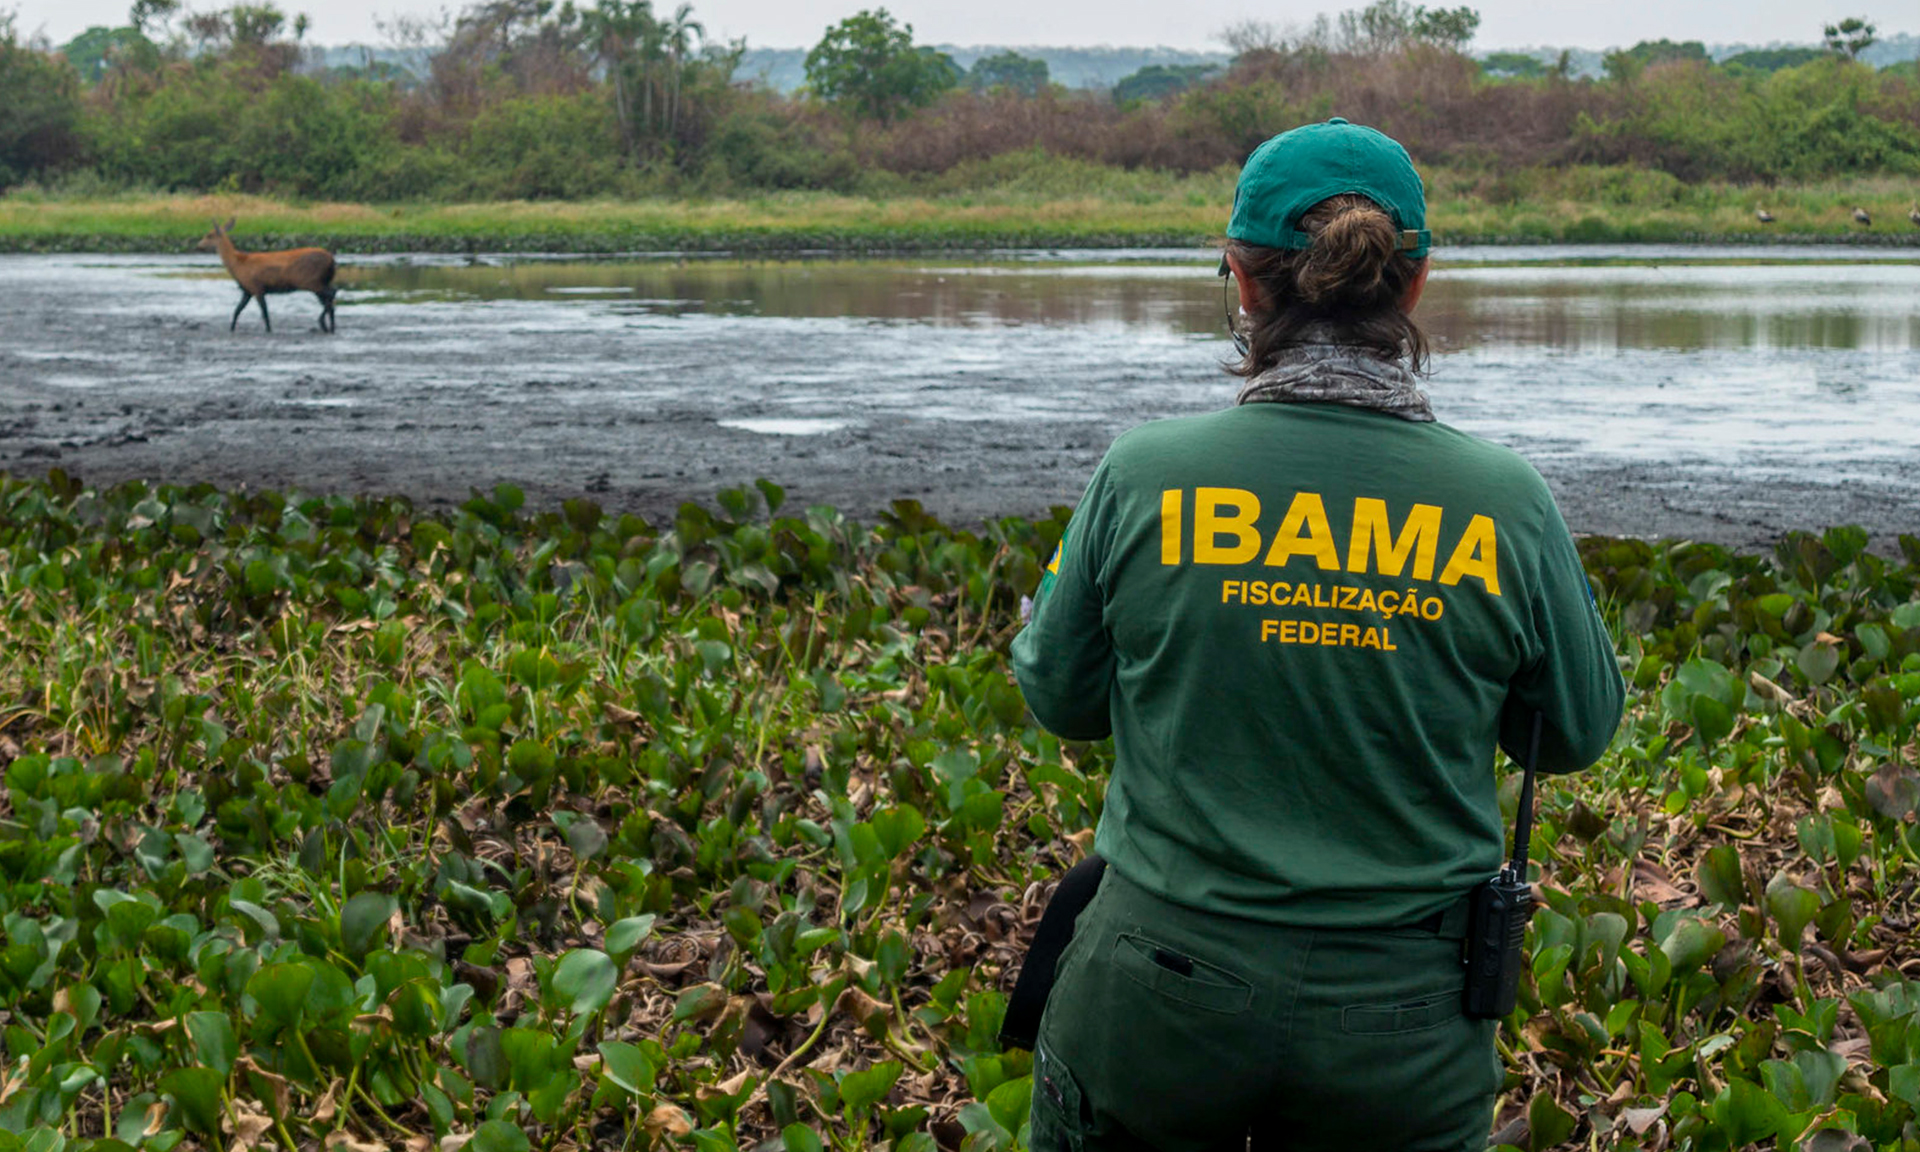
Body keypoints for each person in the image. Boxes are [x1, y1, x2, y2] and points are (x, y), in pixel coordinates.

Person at [1009, 118, 1626, 1152]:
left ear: (1245, 285)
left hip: (1160, 988)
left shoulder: (1143, 474)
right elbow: (1574, 732)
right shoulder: (1505, 502)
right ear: (1414, 285)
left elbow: (1063, 702)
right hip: (1403, 1019)